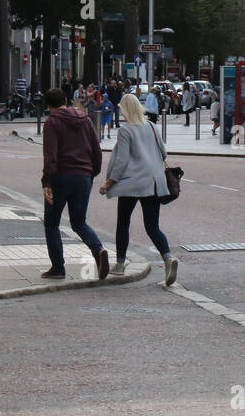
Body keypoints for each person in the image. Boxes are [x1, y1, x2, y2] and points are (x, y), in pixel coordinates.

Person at [99, 94, 179, 285]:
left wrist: (108, 183)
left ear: (125, 109)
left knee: (123, 222)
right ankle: (168, 258)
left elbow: (122, 160)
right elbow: (164, 152)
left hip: (132, 183)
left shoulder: (126, 130)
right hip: (153, 182)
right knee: (152, 226)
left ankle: (119, 264)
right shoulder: (151, 126)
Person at [39, 87, 109, 279]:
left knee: (52, 223)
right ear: (67, 100)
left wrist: (47, 182)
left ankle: (58, 268)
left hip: (60, 177)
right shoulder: (85, 119)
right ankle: (98, 251)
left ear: (48, 105)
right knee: (79, 222)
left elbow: (50, 156)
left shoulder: (52, 123)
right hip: (83, 177)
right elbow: (97, 151)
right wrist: (91, 173)